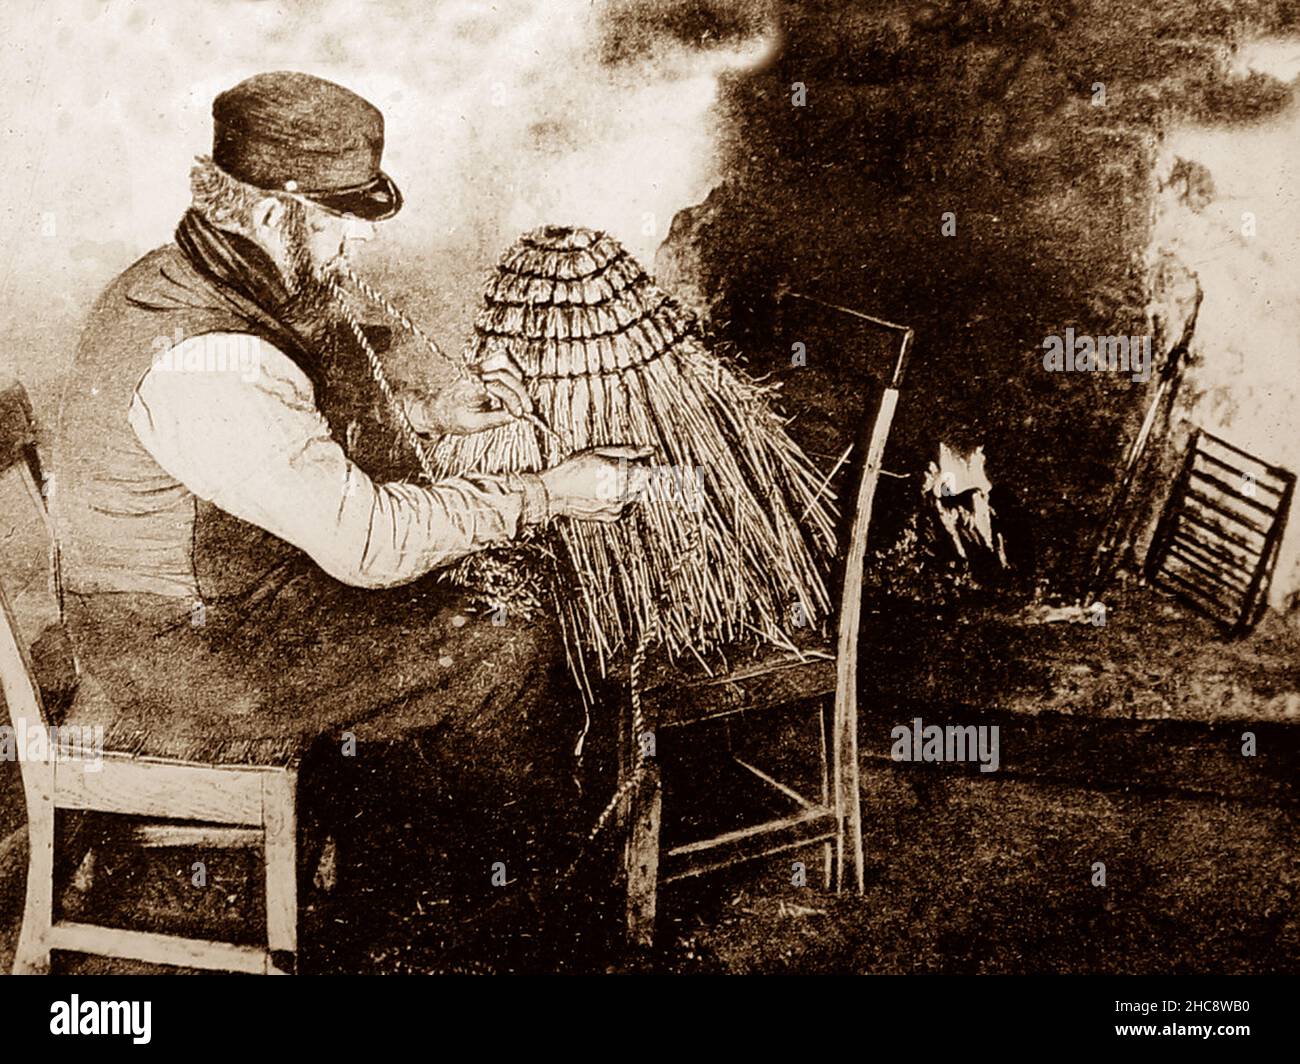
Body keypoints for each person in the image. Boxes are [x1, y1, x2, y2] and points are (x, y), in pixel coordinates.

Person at [51, 71, 645, 967]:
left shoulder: (194, 276)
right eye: (331, 224)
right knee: (505, 647)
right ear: (267, 208)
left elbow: (299, 419)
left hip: (207, 606)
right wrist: (547, 494)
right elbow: (371, 542)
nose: (344, 249)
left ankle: (394, 892)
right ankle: (499, 938)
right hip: (180, 656)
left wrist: (433, 409)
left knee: (447, 624)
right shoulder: (207, 358)